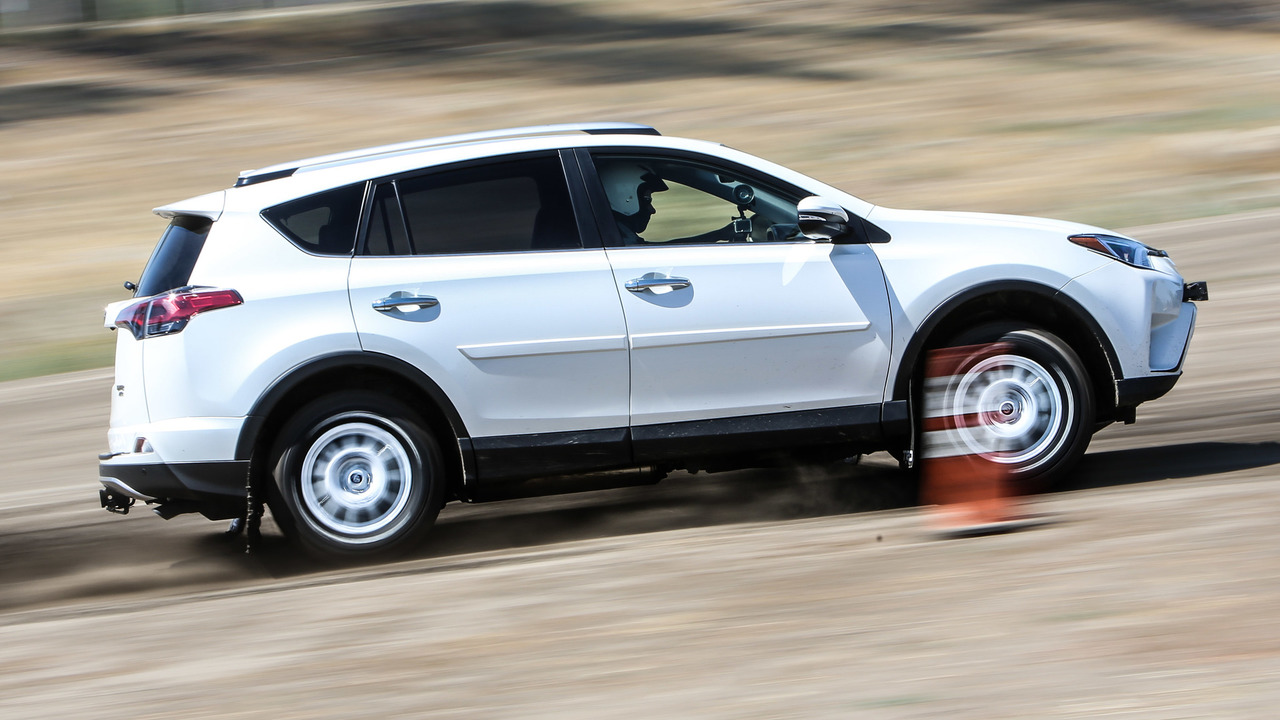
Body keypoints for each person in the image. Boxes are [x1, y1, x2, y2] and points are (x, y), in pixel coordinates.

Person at [599, 162, 668, 244]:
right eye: (647, 200)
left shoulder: (611, 236)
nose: (653, 210)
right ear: (625, 198)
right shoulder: (622, 242)